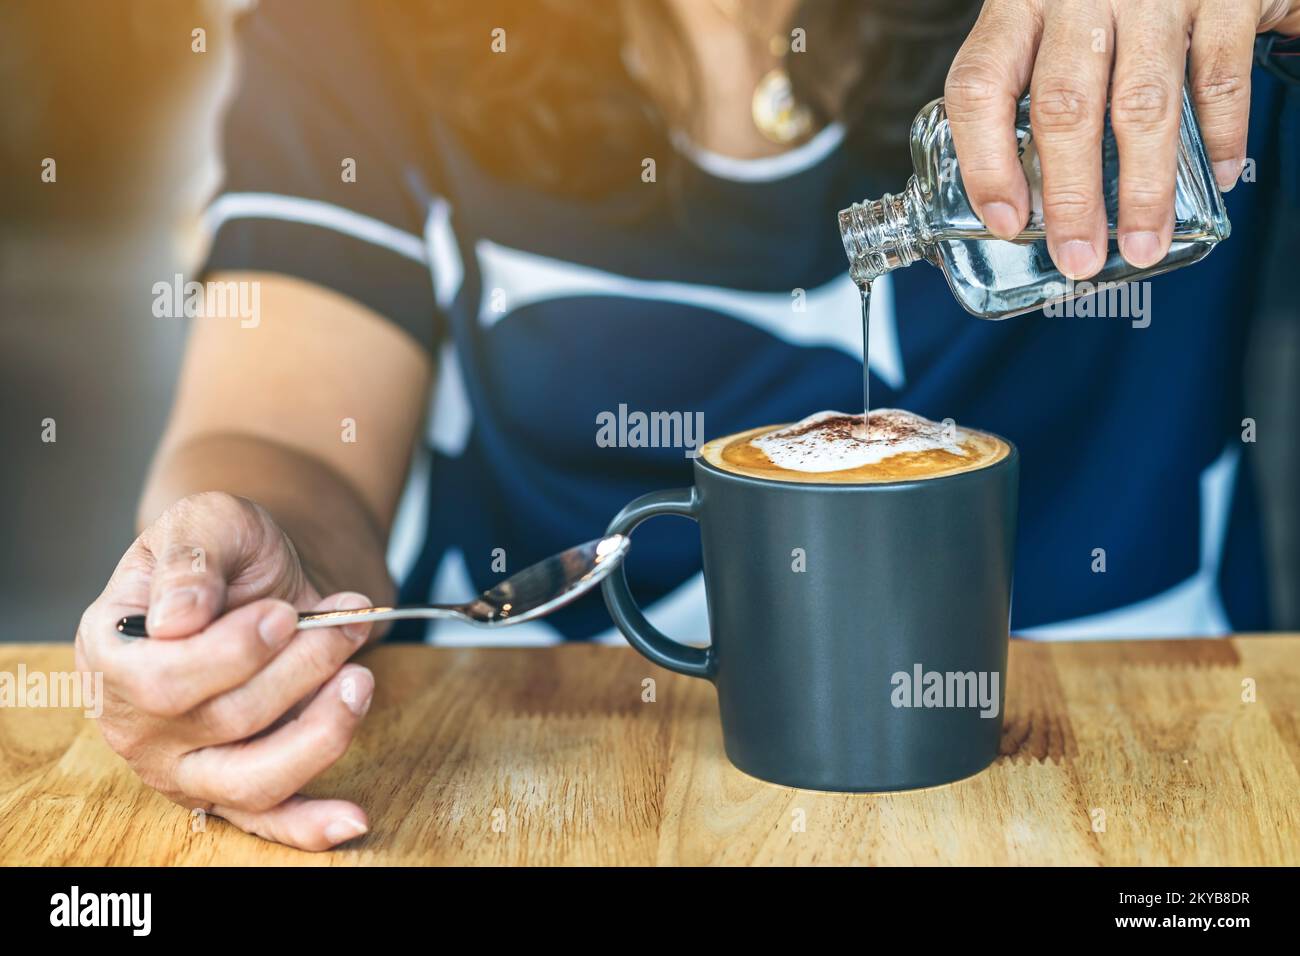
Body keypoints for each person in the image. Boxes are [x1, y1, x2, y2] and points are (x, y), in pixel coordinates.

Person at [76, 0, 1300, 850]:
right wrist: (242, 609)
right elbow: (288, 444)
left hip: (1140, 773)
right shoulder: (369, 30)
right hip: (527, 789)